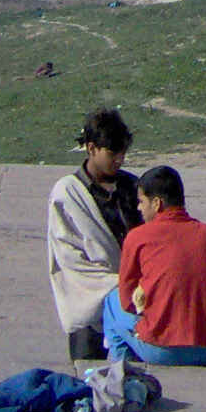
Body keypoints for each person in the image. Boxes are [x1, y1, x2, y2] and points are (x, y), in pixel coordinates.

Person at [101, 165, 206, 366]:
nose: (138, 208)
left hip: (162, 350)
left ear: (156, 203)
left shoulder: (138, 237)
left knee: (112, 300)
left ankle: (121, 371)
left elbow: (127, 302)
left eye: (141, 201)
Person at [46, 109, 141, 359]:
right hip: (90, 309)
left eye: (123, 154)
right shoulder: (68, 193)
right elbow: (68, 257)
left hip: (133, 305)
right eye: (112, 153)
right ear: (91, 148)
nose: (119, 160)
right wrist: (115, 284)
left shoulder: (134, 188)